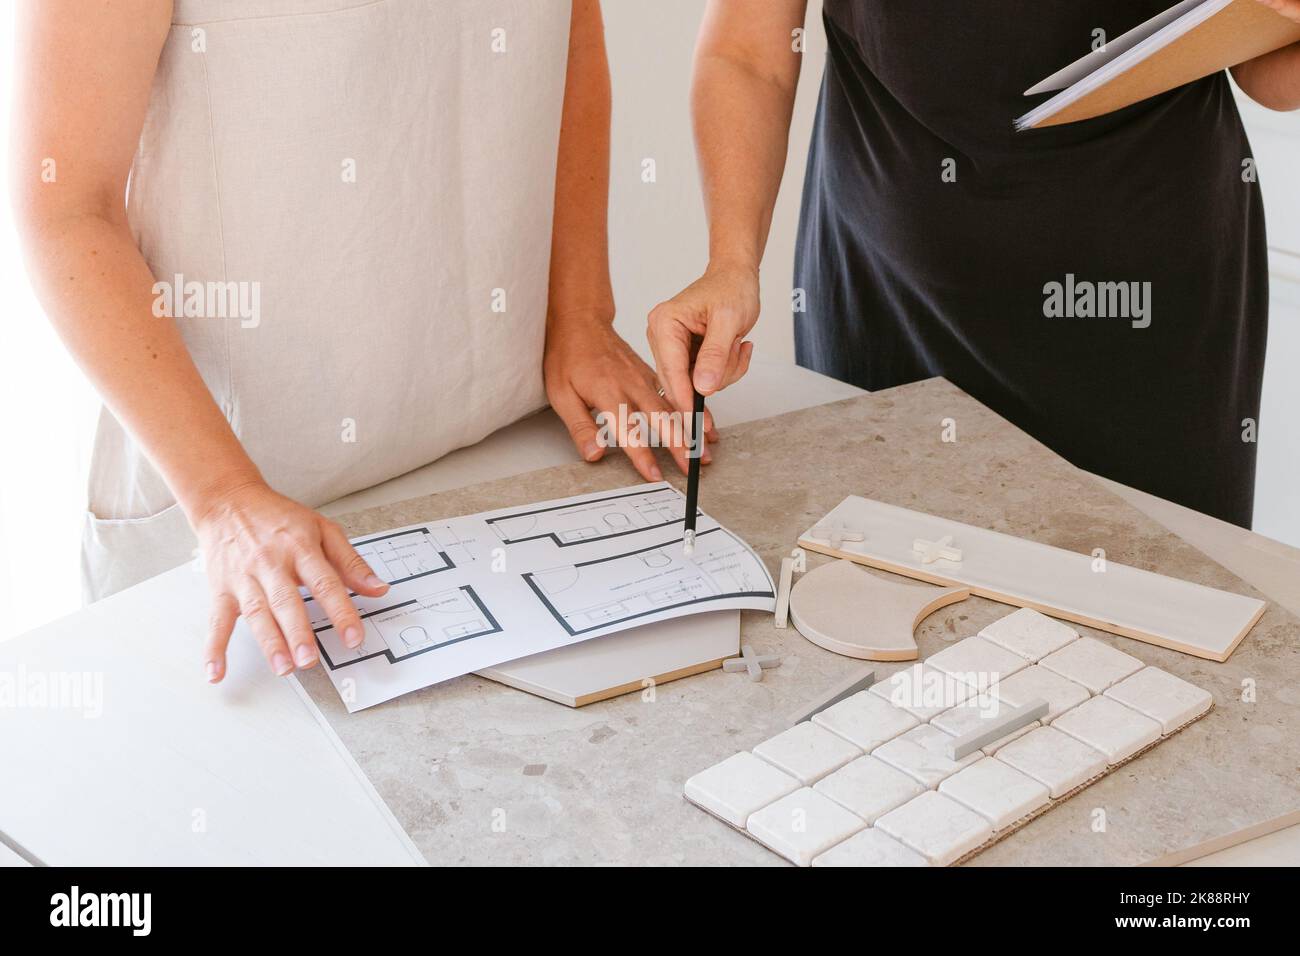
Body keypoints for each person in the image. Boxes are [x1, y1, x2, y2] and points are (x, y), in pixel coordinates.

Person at [11, 0, 703, 682]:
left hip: (505, 449)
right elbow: (67, 205)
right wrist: (222, 496)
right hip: (237, 509)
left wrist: (580, 313)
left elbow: (570, 34)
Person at [649, 0, 1300, 529]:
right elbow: (747, 50)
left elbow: (1264, 72)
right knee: (884, 610)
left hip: (1150, 321)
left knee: (1163, 625)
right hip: (885, 304)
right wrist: (731, 261)